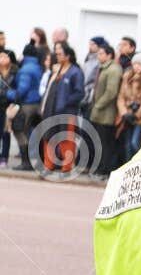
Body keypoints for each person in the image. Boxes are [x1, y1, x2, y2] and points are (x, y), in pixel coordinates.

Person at [40, 38, 85, 175]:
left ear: (68, 55)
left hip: (67, 112)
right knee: (49, 137)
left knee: (66, 139)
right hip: (51, 112)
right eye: (57, 53)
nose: (57, 56)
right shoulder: (57, 71)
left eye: (60, 54)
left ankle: (66, 167)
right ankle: (49, 166)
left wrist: (65, 103)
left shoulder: (75, 72)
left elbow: (79, 93)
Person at [5, 40, 44, 169]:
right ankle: (37, 161)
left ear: (25, 54)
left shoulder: (25, 70)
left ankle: (26, 163)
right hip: (37, 104)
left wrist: (9, 94)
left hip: (27, 104)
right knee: (31, 133)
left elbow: (22, 90)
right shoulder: (37, 67)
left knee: (19, 131)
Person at [89, 39, 122, 176]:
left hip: (106, 113)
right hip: (98, 112)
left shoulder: (113, 69)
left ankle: (104, 169)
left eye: (101, 53)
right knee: (99, 141)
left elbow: (111, 92)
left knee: (105, 142)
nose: (99, 56)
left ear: (109, 55)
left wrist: (98, 105)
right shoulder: (104, 68)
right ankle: (99, 167)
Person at [116, 56, 141, 161]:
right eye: (135, 64)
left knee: (135, 142)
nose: (137, 67)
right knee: (127, 144)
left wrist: (137, 114)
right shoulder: (127, 76)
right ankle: (128, 168)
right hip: (127, 113)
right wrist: (124, 113)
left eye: (140, 64)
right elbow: (121, 97)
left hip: (140, 116)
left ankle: (139, 164)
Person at [0, 47, 18, 166]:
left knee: (6, 132)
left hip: (7, 107)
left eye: (3, 56)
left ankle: (4, 158)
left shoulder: (15, 72)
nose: (0, 59)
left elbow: (16, 90)